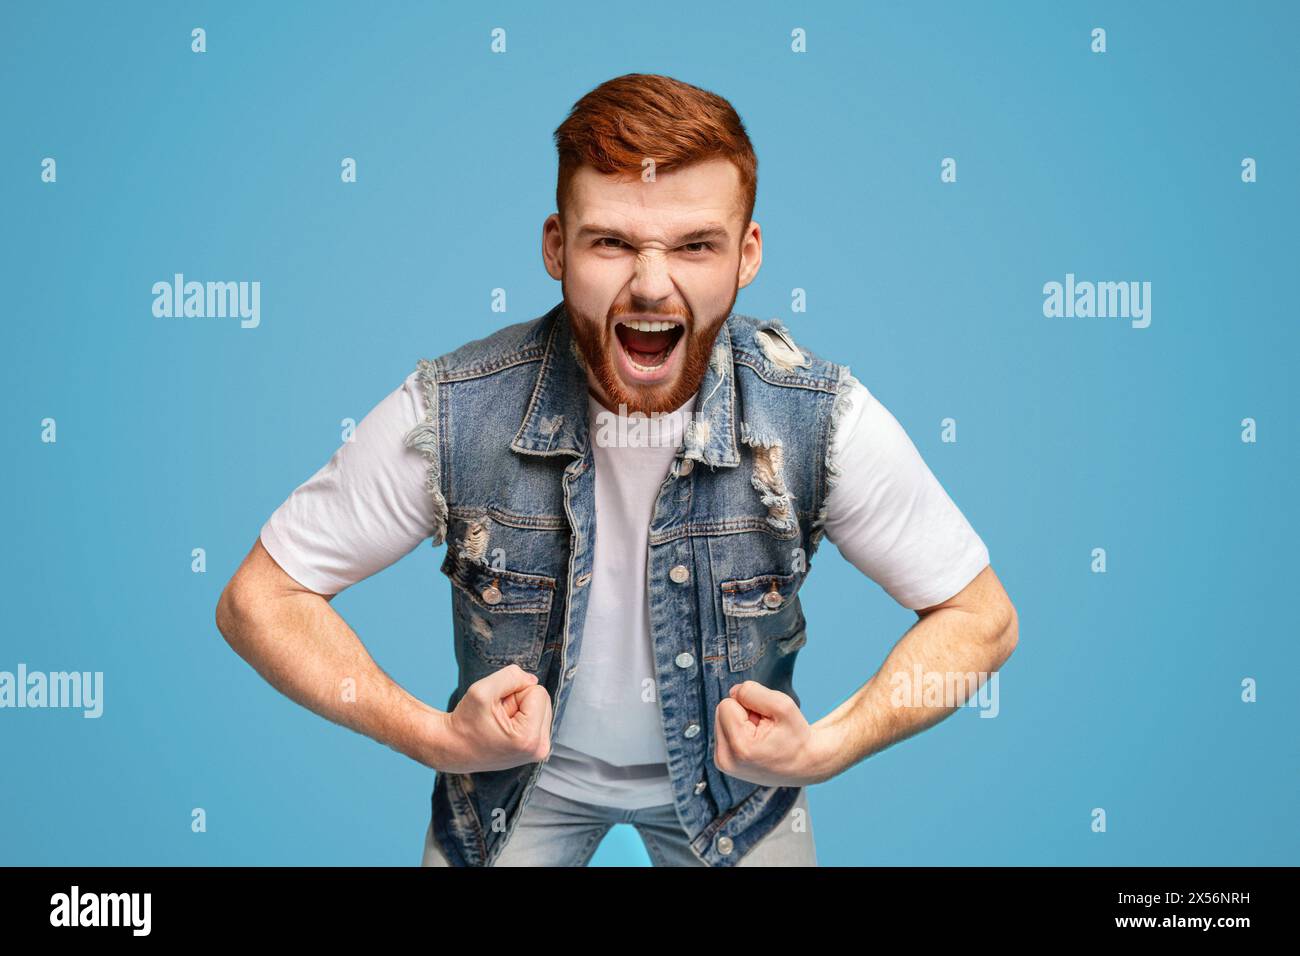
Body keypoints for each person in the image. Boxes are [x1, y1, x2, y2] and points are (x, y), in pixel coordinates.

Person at [215, 72, 1018, 867]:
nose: (651, 285)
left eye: (695, 245)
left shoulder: (812, 418)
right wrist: (440, 738)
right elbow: (260, 601)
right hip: (515, 790)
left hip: (737, 797)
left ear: (747, 255)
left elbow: (981, 619)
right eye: (612, 243)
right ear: (556, 248)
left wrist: (825, 751)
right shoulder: (459, 410)